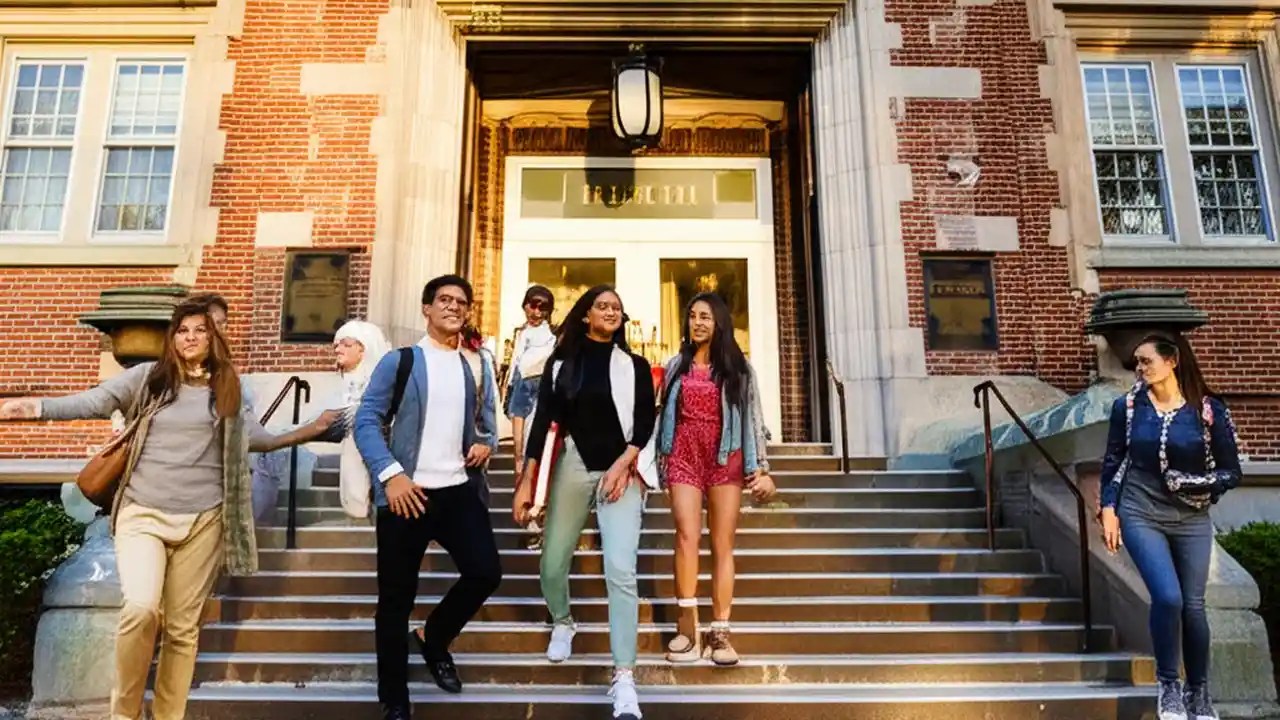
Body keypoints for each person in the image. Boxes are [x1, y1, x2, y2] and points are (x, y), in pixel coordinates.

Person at [0, 297, 337, 720]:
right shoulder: (149, 379)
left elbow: (258, 438)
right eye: (183, 330)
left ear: (213, 337)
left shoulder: (226, 387)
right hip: (143, 513)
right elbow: (92, 402)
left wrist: (313, 429)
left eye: (200, 330)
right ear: (172, 338)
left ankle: (167, 715)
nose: (191, 337)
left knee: (182, 630)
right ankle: (124, 713)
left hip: (204, 521)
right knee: (140, 610)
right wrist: (31, 408)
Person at [353, 274, 503, 720]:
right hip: (407, 494)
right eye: (444, 300)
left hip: (458, 490)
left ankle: (434, 638)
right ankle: (395, 699)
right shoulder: (400, 361)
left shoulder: (476, 364)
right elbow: (366, 421)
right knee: (395, 601)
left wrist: (486, 442)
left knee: (485, 572)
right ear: (426, 308)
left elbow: (490, 424)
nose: (454, 307)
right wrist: (391, 475)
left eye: (461, 302)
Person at [512, 284, 657, 720]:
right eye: (603, 306)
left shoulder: (634, 364)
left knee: (620, 568)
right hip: (574, 462)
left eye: (617, 307)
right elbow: (542, 424)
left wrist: (624, 463)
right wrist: (526, 478)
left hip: (623, 468)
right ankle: (562, 620)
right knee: (553, 560)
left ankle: (624, 677)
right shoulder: (562, 362)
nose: (612, 311)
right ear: (586, 315)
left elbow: (646, 422)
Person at [1099, 334, 1241, 720]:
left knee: (1194, 607)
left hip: (1191, 518)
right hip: (1141, 512)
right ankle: (1169, 687)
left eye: (1146, 361)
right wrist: (1109, 508)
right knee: (1168, 598)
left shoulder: (1208, 410)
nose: (1140, 369)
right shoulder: (1127, 407)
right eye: (1137, 363)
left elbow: (1231, 472)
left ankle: (1199, 692)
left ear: (1172, 360)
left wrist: (1192, 482)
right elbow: (1114, 461)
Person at [656, 292, 775, 665]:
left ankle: (720, 632)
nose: (698, 323)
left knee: (722, 544)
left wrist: (761, 467)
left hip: (727, 457)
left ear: (720, 321)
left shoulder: (740, 368)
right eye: (692, 316)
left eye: (705, 316)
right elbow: (664, 416)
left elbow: (753, 420)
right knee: (686, 536)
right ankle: (686, 625)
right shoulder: (677, 364)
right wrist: (661, 457)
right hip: (684, 455)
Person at [332, 319, 391, 519]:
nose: (338, 349)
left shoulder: (377, 385)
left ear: (364, 350)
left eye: (346, 345)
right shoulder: (347, 380)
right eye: (337, 345)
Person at [504, 285, 556, 476]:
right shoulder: (522, 332)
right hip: (520, 385)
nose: (536, 313)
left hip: (535, 384)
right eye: (532, 306)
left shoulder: (549, 335)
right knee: (519, 452)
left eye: (542, 309)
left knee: (528, 450)